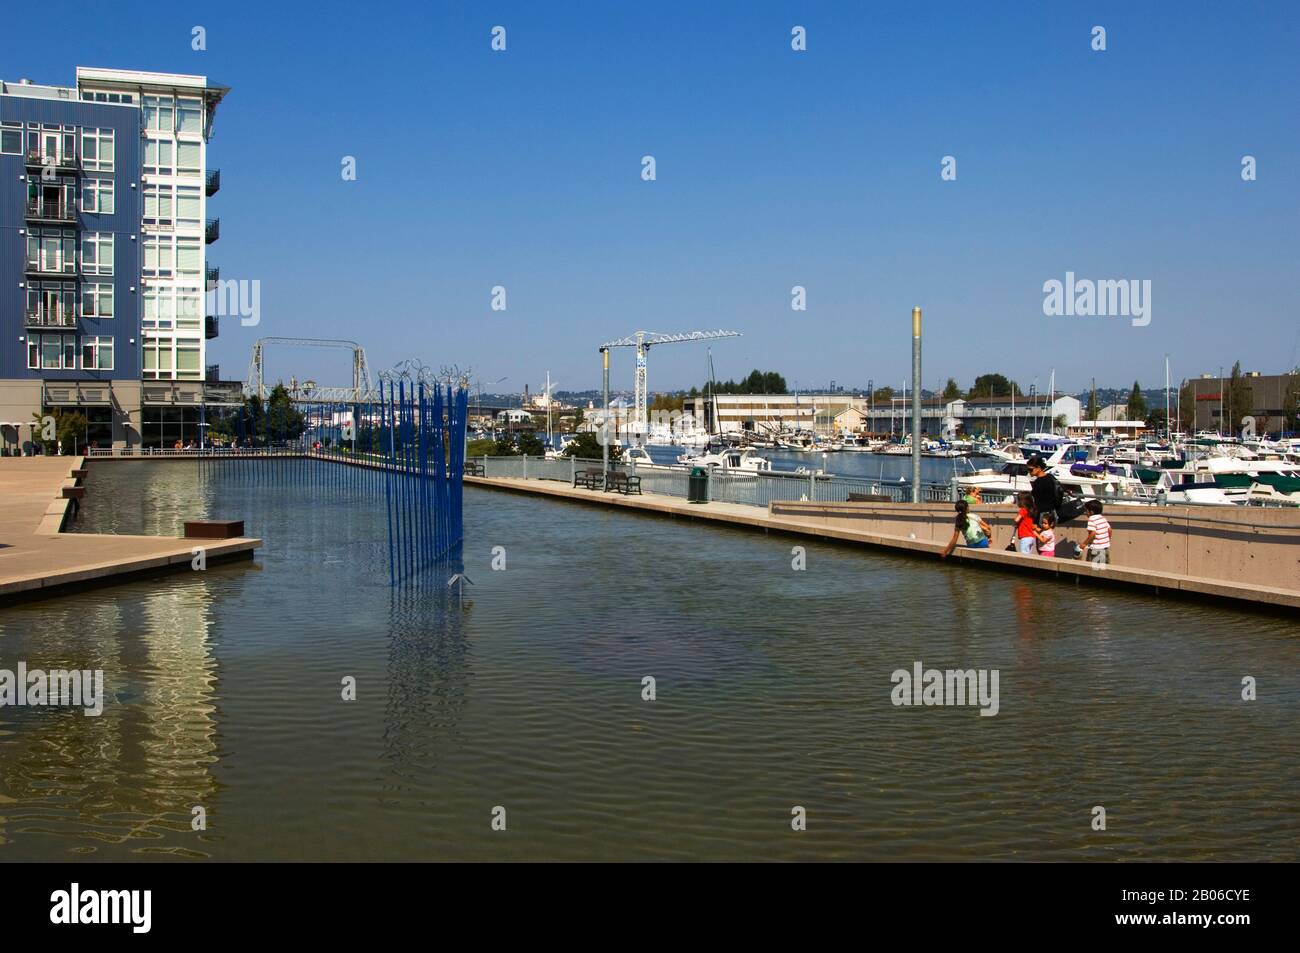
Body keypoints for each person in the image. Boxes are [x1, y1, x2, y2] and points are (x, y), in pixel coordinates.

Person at [1026, 455, 1060, 524]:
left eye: (1030, 469)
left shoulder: (1038, 482)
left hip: (1041, 514)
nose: (1029, 472)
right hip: (1052, 513)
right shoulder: (1051, 477)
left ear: (1038, 468)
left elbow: (1037, 500)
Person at [1078, 500, 1112, 565]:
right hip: (1105, 549)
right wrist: (1107, 540)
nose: (1085, 513)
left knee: (1093, 570)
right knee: (1104, 569)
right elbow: (1110, 530)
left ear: (1091, 512)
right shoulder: (1103, 518)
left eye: (1086, 511)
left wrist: (1084, 544)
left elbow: (1093, 533)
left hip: (1096, 549)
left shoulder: (1091, 519)